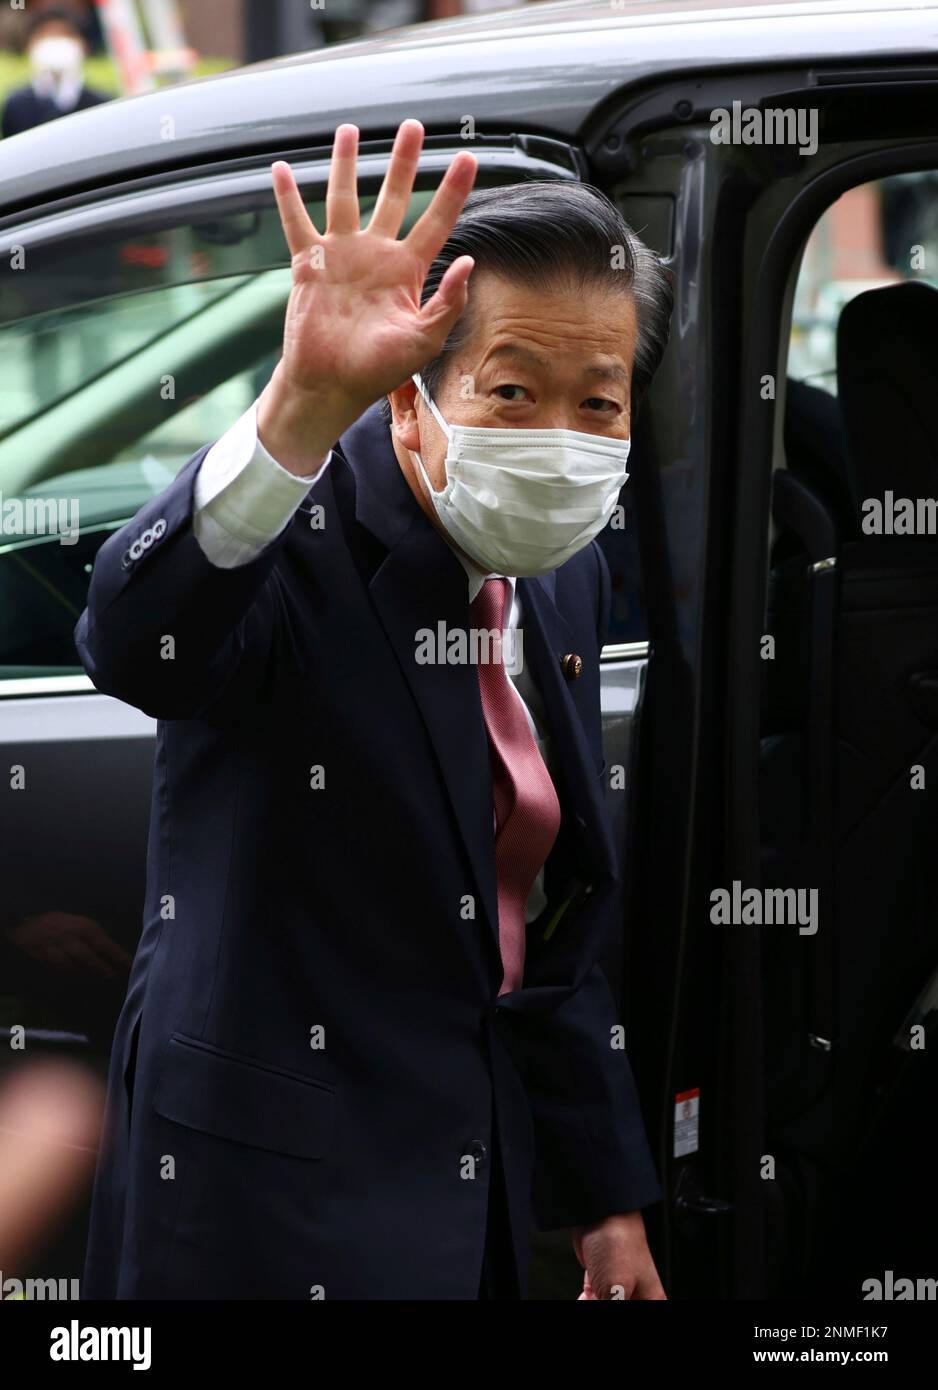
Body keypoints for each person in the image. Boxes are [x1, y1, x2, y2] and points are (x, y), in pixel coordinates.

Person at [75, 119, 672, 1300]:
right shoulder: (292, 532)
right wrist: (297, 403)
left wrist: (606, 1199)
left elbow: (543, 923)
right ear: (410, 400)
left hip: (471, 1195)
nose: (559, 436)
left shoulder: (564, 567)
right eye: (511, 389)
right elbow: (135, 642)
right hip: (265, 1206)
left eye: (597, 402)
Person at [2, 6, 108, 140]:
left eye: (63, 35)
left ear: (83, 45)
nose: (55, 43)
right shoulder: (16, 106)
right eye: (46, 36)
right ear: (29, 46)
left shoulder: (101, 103)